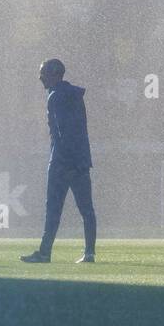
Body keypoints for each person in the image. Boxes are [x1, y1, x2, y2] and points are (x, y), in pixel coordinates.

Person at [21, 58, 98, 264]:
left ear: (54, 75)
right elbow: (78, 130)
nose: (40, 77)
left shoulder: (55, 97)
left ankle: (45, 253)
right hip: (81, 160)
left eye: (43, 73)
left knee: (53, 209)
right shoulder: (75, 95)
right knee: (86, 209)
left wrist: (64, 162)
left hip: (62, 162)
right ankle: (90, 252)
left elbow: (63, 133)